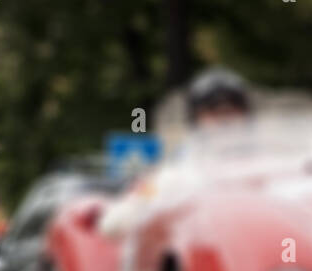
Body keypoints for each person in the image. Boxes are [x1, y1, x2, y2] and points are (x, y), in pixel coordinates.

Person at [99, 67, 254, 238]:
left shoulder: (267, 168)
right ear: (196, 120)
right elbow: (113, 224)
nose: (225, 121)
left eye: (232, 112)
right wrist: (164, 212)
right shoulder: (177, 174)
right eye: (213, 113)